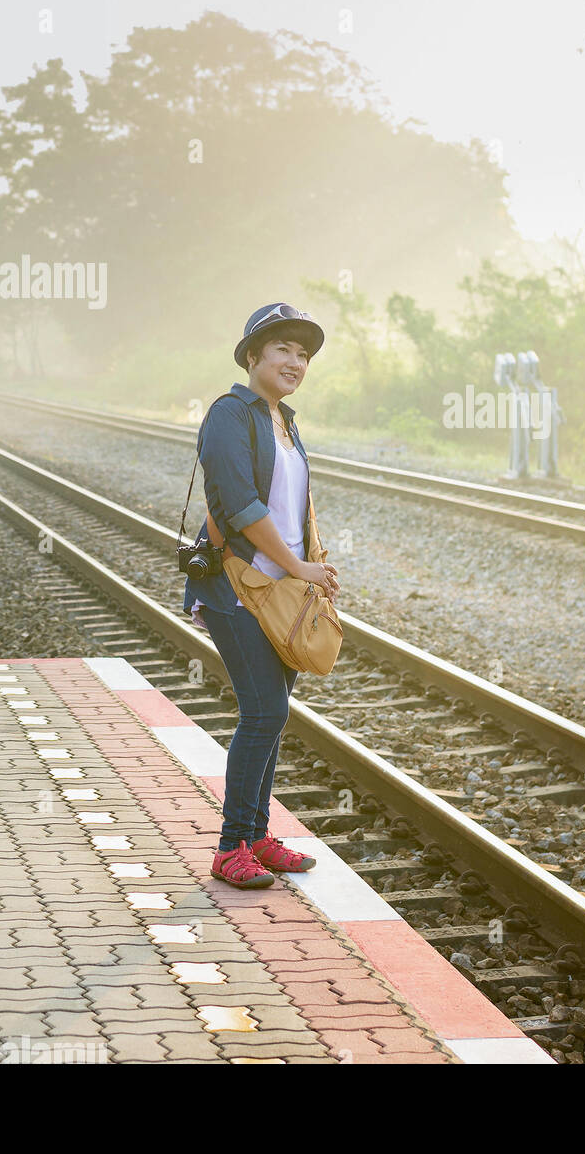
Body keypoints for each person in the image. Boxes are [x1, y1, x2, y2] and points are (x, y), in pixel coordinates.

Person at [183, 302, 340, 889]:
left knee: (273, 717)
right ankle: (231, 849)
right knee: (264, 712)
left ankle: (257, 837)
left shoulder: (285, 422)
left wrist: (314, 567)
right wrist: (293, 561)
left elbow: (294, 507)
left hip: (285, 589)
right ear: (253, 356)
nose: (295, 362)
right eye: (282, 350)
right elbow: (239, 503)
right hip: (238, 583)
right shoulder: (230, 415)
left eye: (303, 354)